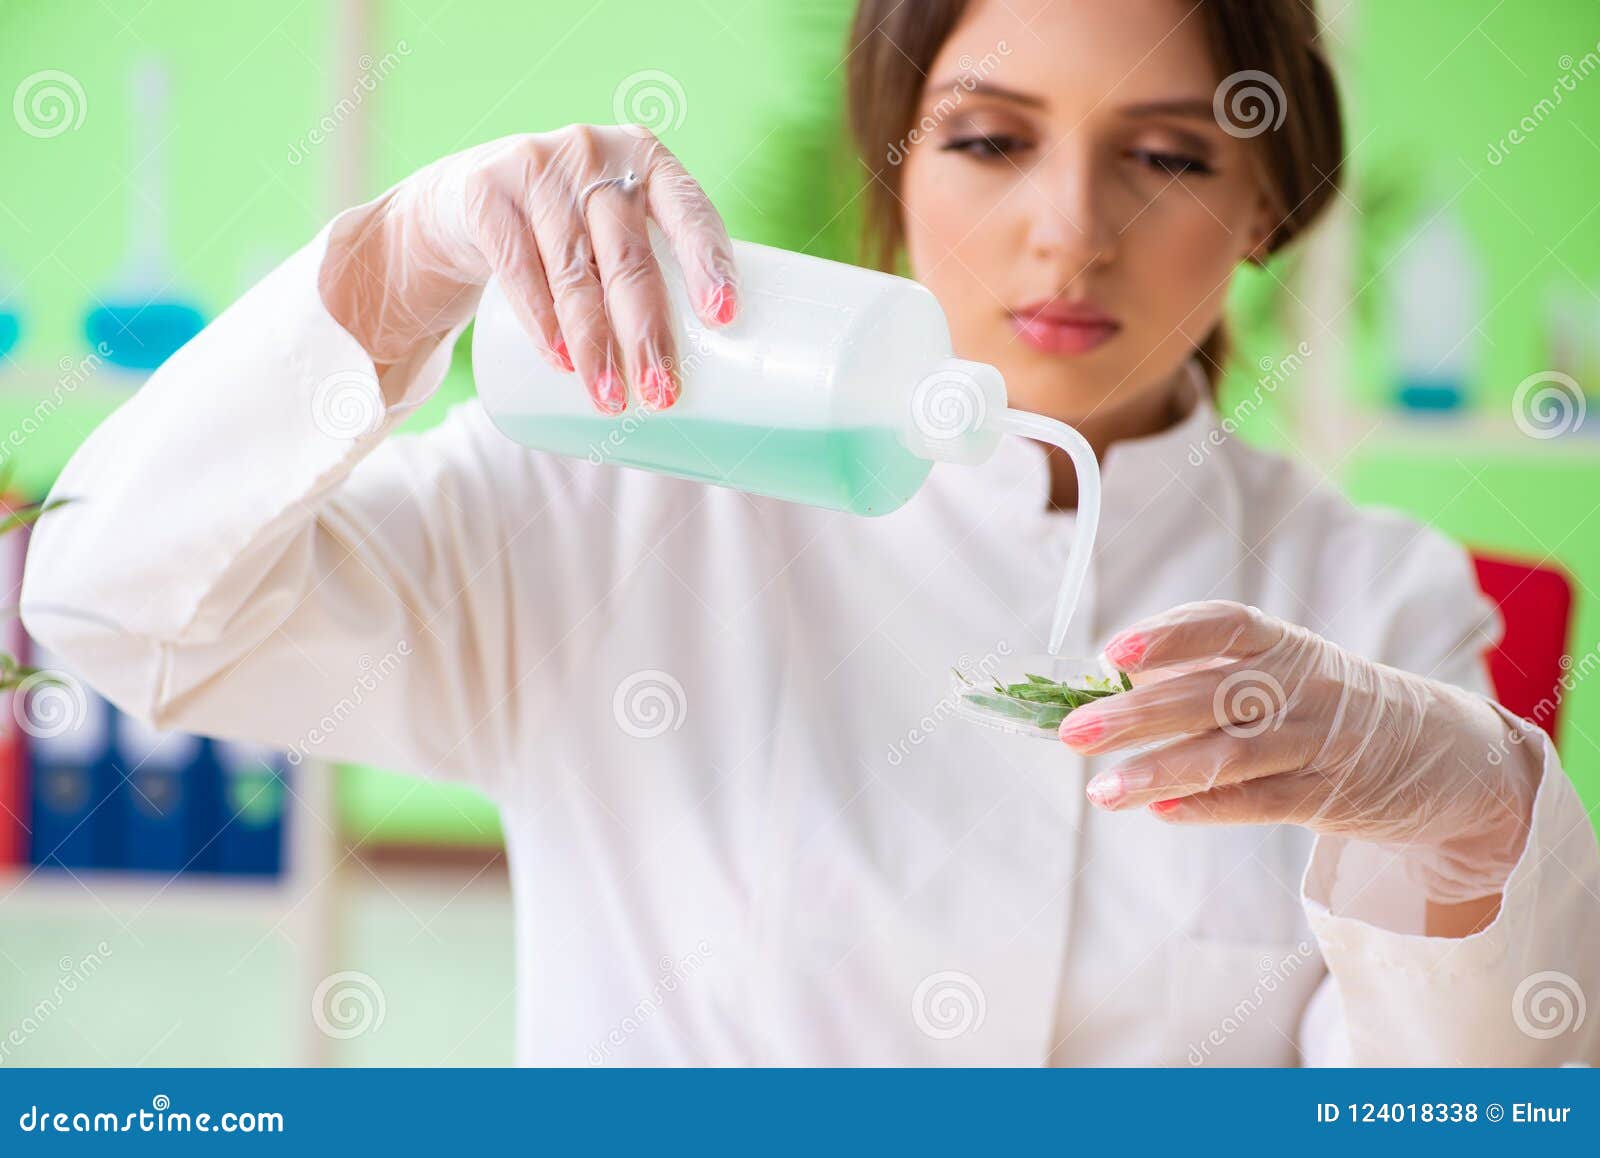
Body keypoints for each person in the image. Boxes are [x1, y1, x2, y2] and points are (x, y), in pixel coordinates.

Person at [22, 0, 1600, 1065]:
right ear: (894, 165)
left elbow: (1458, 1113)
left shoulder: (1375, 599)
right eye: (988, 139)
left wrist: (1469, 813)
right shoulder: (615, 495)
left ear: (1268, 201)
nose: (1070, 229)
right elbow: (109, 605)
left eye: (1169, 154)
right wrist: (401, 265)